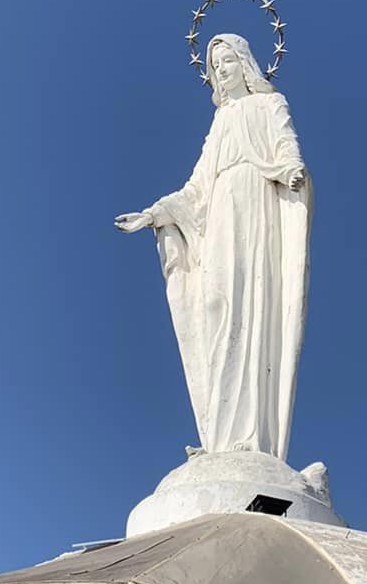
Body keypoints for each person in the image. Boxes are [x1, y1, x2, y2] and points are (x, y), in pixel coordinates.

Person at [116, 33, 310, 460]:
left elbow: (285, 144)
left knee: (251, 305)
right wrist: (155, 213)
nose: (220, 70)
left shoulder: (269, 105)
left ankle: (250, 437)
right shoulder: (220, 122)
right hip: (220, 210)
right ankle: (218, 436)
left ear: (245, 63)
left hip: (257, 204)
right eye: (214, 64)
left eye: (226, 61)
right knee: (214, 306)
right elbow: (197, 186)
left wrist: (291, 168)